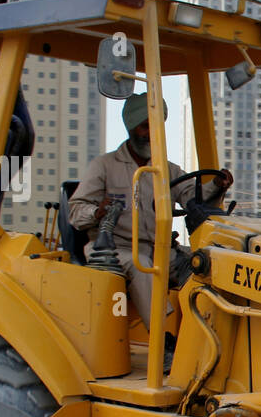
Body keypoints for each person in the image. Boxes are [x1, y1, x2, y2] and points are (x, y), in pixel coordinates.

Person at [67, 92, 190, 329]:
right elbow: (75, 212)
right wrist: (96, 213)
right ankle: (162, 340)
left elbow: (193, 195)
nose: (151, 134)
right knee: (141, 266)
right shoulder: (104, 166)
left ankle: (200, 335)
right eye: (145, 126)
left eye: (156, 127)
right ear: (131, 127)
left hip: (160, 249)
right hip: (115, 249)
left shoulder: (167, 170)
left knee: (202, 262)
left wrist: (216, 186)